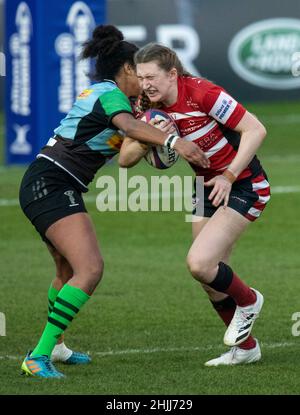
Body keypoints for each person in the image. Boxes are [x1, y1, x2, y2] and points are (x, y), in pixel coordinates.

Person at [19, 27, 208, 378]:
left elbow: (125, 158)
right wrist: (173, 143)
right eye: (141, 73)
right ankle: (37, 356)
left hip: (49, 181)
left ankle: (55, 346)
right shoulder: (109, 94)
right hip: (51, 182)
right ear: (125, 70)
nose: (146, 82)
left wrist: (151, 134)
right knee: (90, 269)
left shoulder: (113, 98)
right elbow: (128, 127)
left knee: (66, 270)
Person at [119, 43, 271, 366]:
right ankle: (247, 349)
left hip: (242, 183)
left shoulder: (202, 93)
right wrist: (156, 138)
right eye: (141, 77)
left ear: (172, 74)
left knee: (200, 264)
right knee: (210, 279)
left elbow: (256, 129)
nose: (144, 84)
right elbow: (125, 159)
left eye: (151, 77)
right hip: (206, 186)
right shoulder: (148, 105)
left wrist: (228, 176)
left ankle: (250, 300)